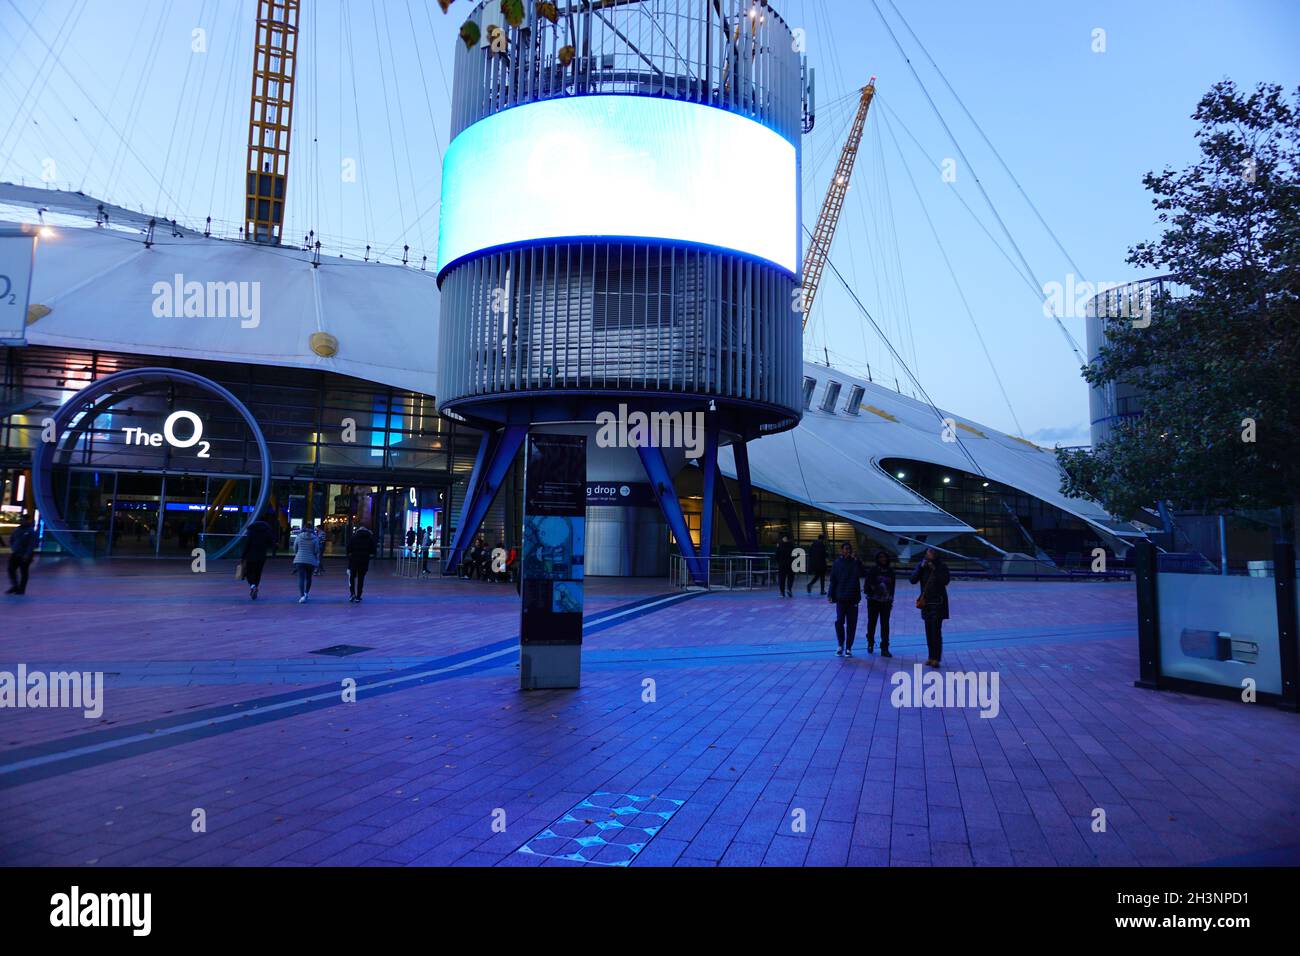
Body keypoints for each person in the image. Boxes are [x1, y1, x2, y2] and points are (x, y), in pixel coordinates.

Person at [910, 548, 951, 667]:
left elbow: (945, 581)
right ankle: (930, 657)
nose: (930, 554)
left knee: (936, 631)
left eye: (933, 552)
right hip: (926, 603)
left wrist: (935, 570)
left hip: (938, 603)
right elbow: (912, 580)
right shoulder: (922, 565)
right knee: (928, 630)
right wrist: (920, 568)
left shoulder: (941, 566)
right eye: (929, 552)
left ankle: (936, 658)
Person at [828, 542, 864, 657]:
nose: (847, 551)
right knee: (839, 621)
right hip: (841, 597)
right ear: (841, 551)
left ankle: (848, 647)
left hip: (853, 598)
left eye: (849, 549)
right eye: (845, 549)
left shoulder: (855, 562)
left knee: (851, 624)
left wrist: (858, 561)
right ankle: (840, 644)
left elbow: (862, 573)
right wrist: (830, 594)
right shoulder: (837, 563)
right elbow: (833, 580)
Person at [864, 550, 896, 657]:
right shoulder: (873, 570)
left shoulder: (890, 571)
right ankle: (870, 642)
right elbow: (867, 585)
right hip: (873, 602)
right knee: (872, 623)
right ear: (877, 559)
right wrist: (873, 592)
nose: (883, 559)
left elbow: (892, 587)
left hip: (886, 602)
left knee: (885, 625)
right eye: (881, 557)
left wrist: (891, 599)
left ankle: (885, 647)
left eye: (885, 557)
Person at [239, 513, 276, 600]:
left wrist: (243, 556)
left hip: (250, 555)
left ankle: (253, 586)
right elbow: (271, 543)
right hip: (262, 556)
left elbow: (247, 544)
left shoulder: (251, 531)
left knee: (249, 572)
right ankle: (255, 586)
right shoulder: (267, 531)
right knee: (258, 573)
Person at [5, 514, 37, 595]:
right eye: (21, 519)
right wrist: (13, 547)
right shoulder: (17, 529)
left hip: (25, 555)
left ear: (27, 521)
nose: (21, 521)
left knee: (24, 572)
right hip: (16, 553)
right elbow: (12, 539)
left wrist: (27, 554)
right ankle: (15, 585)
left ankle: (21, 589)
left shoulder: (31, 531)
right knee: (11, 569)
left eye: (23, 520)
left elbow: (32, 544)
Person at [290, 525, 322, 603]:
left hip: (299, 560)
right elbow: (317, 550)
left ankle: (302, 596)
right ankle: (306, 593)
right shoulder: (315, 538)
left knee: (301, 578)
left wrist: (298, 554)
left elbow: (295, 548)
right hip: (310, 561)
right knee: (309, 578)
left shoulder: (298, 537)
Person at [347, 523, 376, 603]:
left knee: (352, 577)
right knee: (361, 578)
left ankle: (352, 593)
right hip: (364, 561)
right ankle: (358, 596)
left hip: (354, 560)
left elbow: (348, 549)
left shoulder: (354, 537)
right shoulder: (369, 538)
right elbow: (373, 550)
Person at [774, 533, 795, 597]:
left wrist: (779, 562)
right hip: (790, 564)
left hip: (782, 564)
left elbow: (777, 556)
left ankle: (782, 592)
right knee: (790, 577)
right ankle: (789, 589)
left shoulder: (780, 546)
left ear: (783, 538)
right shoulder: (792, 545)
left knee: (782, 579)